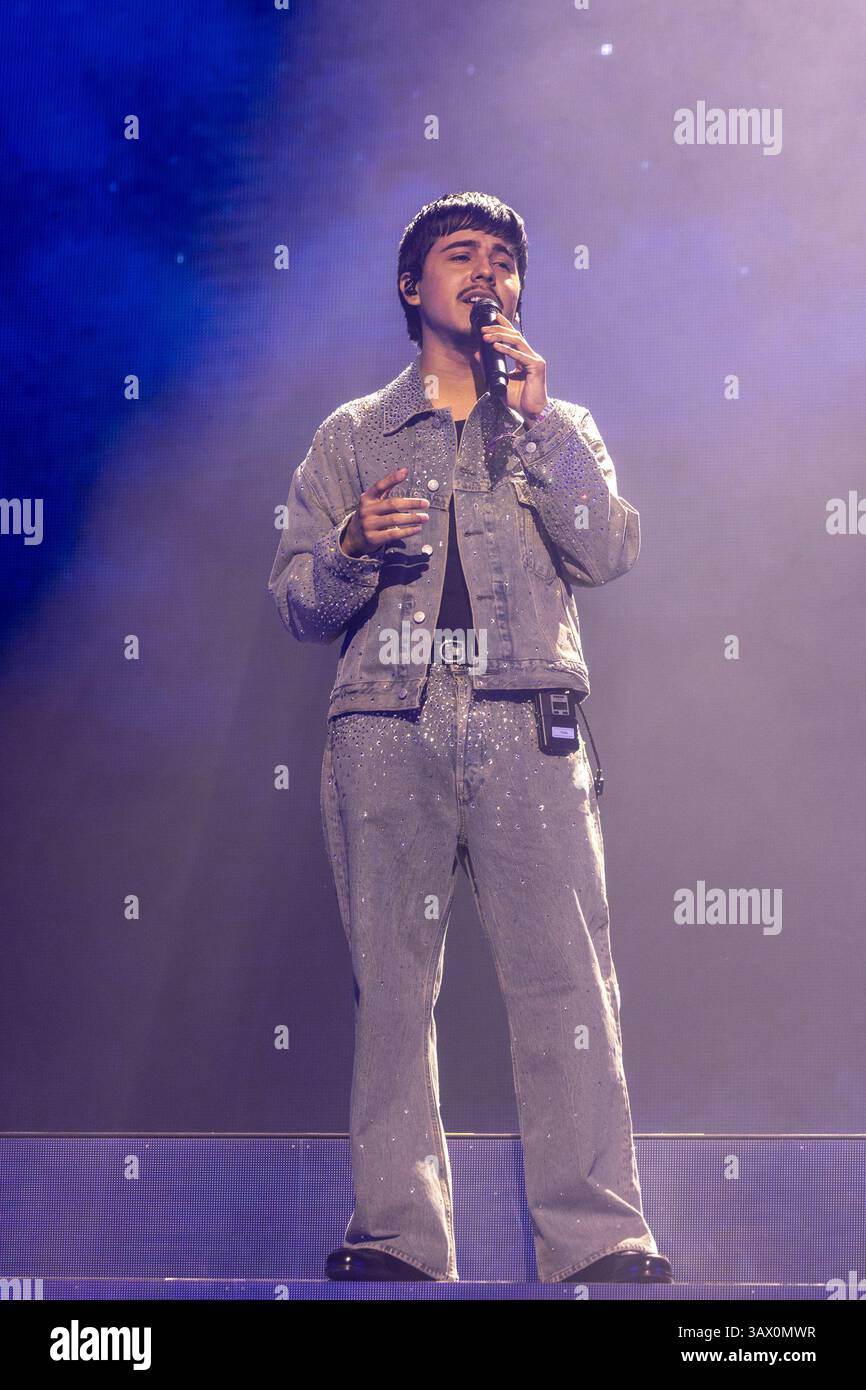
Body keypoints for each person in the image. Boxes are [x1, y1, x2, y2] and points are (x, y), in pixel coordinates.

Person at [268, 191, 672, 1285]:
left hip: (526, 720)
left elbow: (603, 552)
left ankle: (598, 1239)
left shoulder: (555, 422)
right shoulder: (350, 436)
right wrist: (351, 543)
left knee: (568, 985)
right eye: (461, 254)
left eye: (503, 258)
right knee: (390, 989)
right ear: (413, 285)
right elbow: (298, 599)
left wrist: (538, 427)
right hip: (386, 727)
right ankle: (397, 1236)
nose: (486, 270)